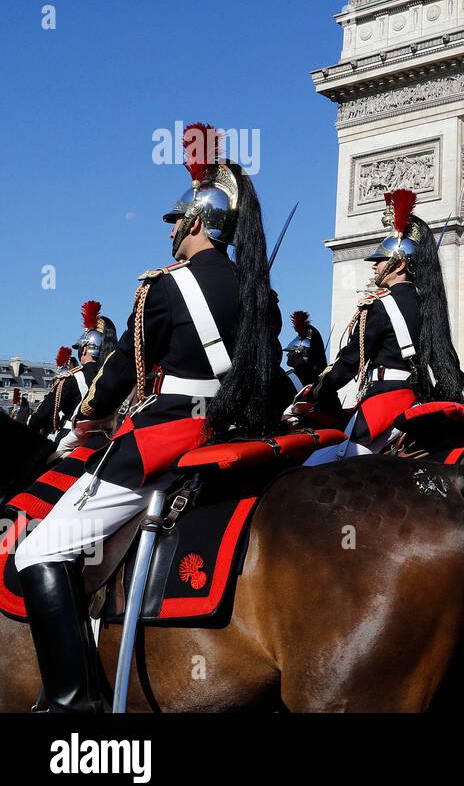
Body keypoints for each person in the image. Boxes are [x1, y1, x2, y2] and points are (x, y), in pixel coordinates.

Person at [14, 122, 281, 712]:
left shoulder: (163, 288)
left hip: (168, 436)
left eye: (174, 223)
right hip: (235, 429)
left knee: (37, 552)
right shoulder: (260, 290)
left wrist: (87, 419)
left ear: (193, 223)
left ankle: (70, 702)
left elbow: (120, 377)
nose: (170, 234)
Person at [302, 189, 463, 462]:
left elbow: (349, 361)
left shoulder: (379, 305)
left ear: (399, 264)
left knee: (317, 465)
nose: (374, 266)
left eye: (380, 259)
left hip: (384, 399)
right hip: (414, 397)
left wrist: (318, 391)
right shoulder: (428, 305)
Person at [30, 302, 117, 456]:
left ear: (84, 349)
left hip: (71, 443)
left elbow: (42, 415)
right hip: (105, 444)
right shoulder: (113, 375)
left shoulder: (73, 378)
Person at [283, 310, 327, 395]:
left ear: (302, 355)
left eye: (291, 351)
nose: (288, 354)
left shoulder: (293, 378)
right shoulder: (321, 380)